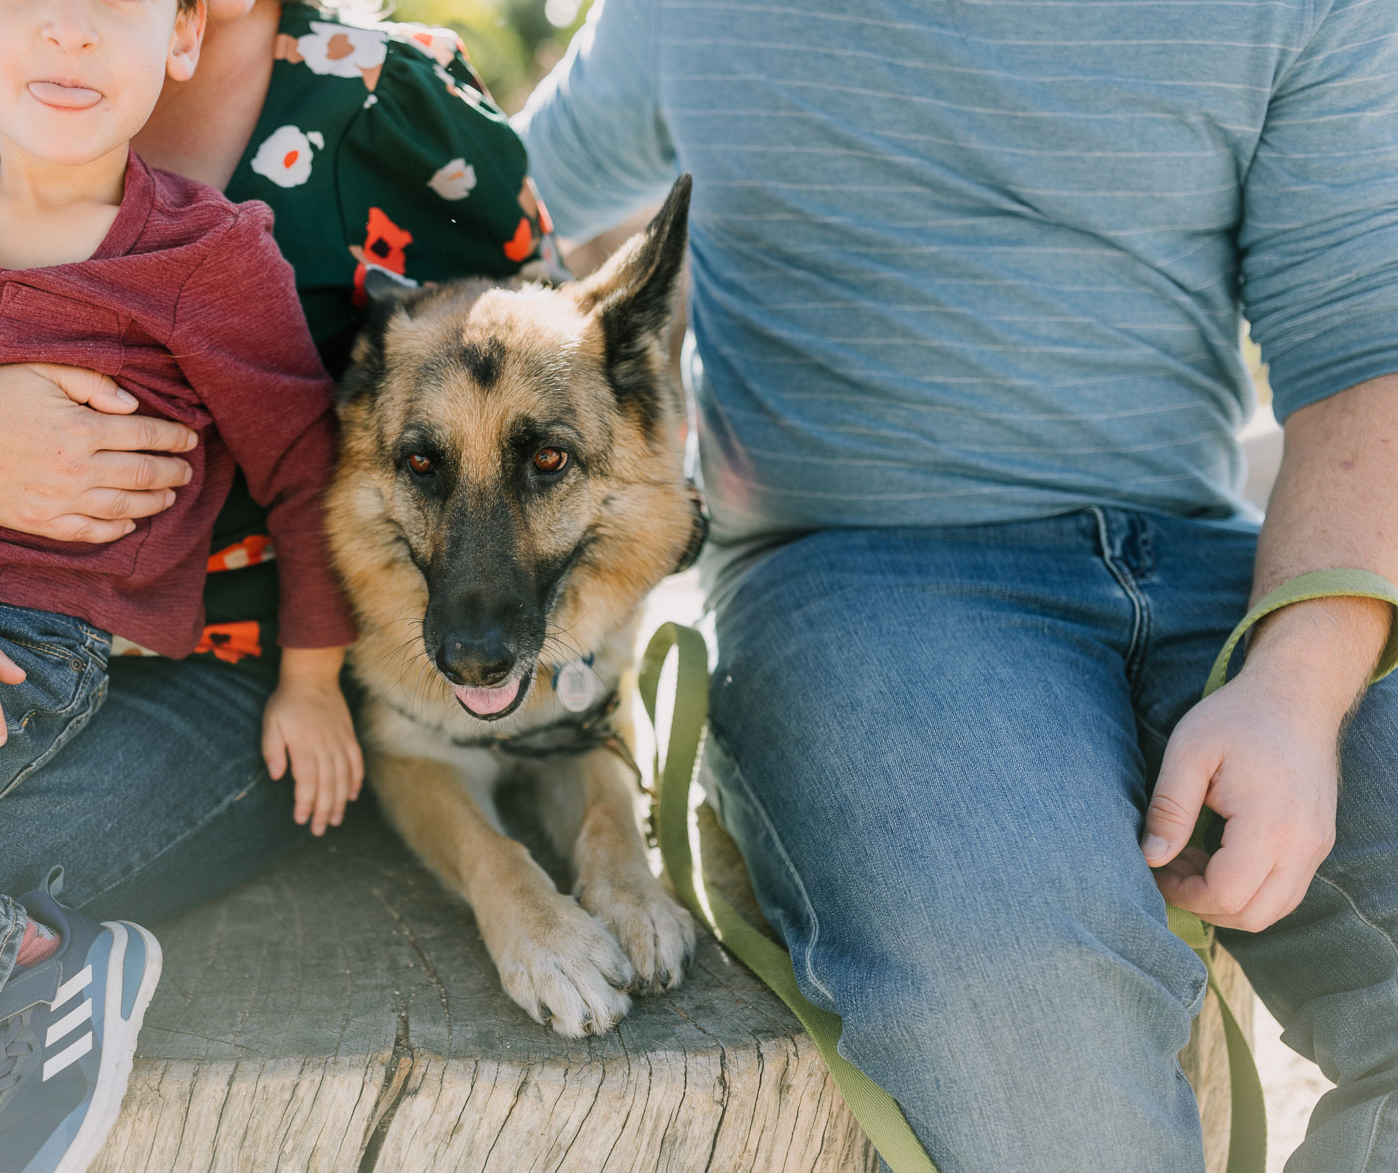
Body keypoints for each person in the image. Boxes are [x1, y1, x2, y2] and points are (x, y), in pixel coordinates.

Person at [0, 1, 552, 1170]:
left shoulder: (313, 165)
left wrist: (318, 681)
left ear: (172, 38)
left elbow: (481, 418)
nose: (66, 32)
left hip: (143, 672)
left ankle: (27, 973)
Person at [516, 2, 1398, 1171]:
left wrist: (1294, 684)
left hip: (1225, 567)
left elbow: (1364, 357)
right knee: (1034, 1028)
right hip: (856, 578)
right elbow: (471, 212)